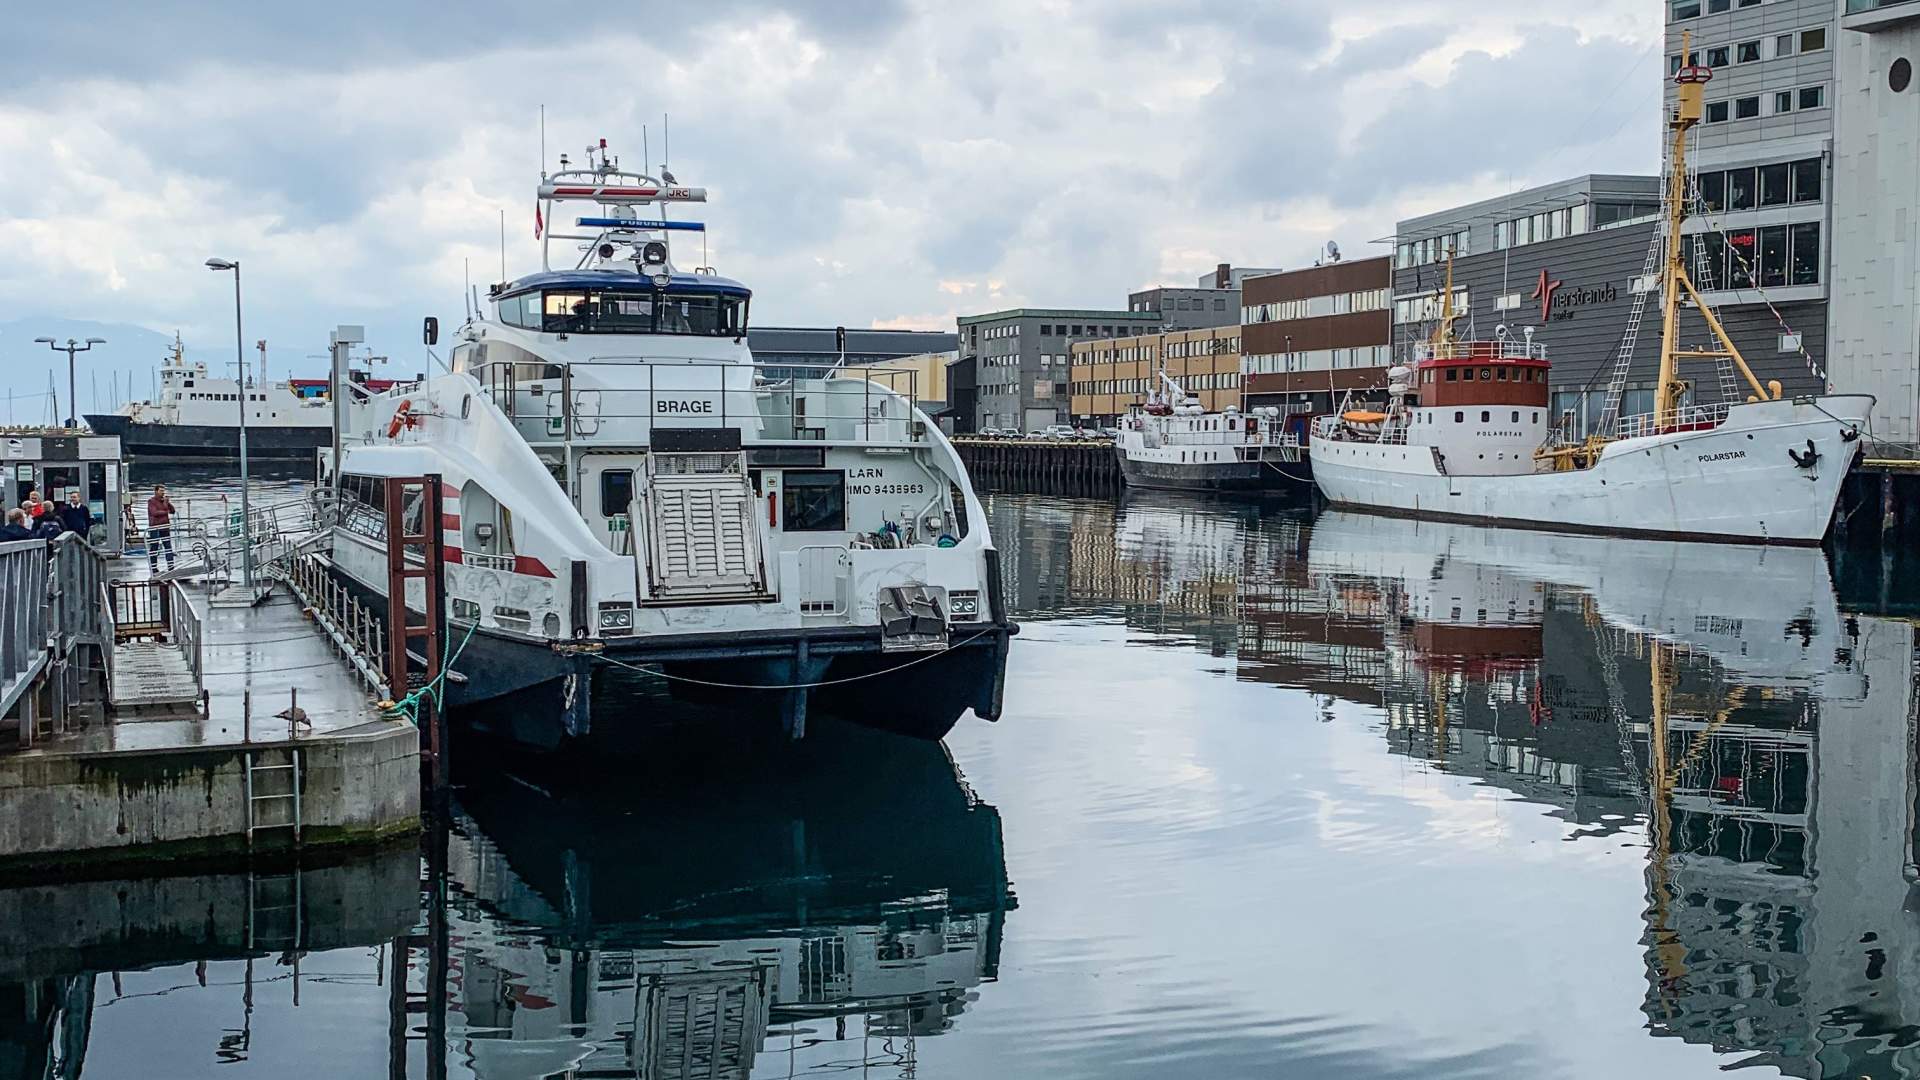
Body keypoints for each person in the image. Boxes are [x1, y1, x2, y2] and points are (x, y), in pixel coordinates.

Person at [146, 483, 177, 572]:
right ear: (156, 491)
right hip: (155, 527)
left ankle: (171, 566)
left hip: (165, 527)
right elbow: (154, 513)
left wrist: (168, 503)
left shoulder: (164, 501)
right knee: (154, 547)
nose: (163, 493)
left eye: (163, 491)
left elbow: (173, 511)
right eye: (161, 491)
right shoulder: (151, 501)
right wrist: (165, 509)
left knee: (168, 546)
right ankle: (154, 567)